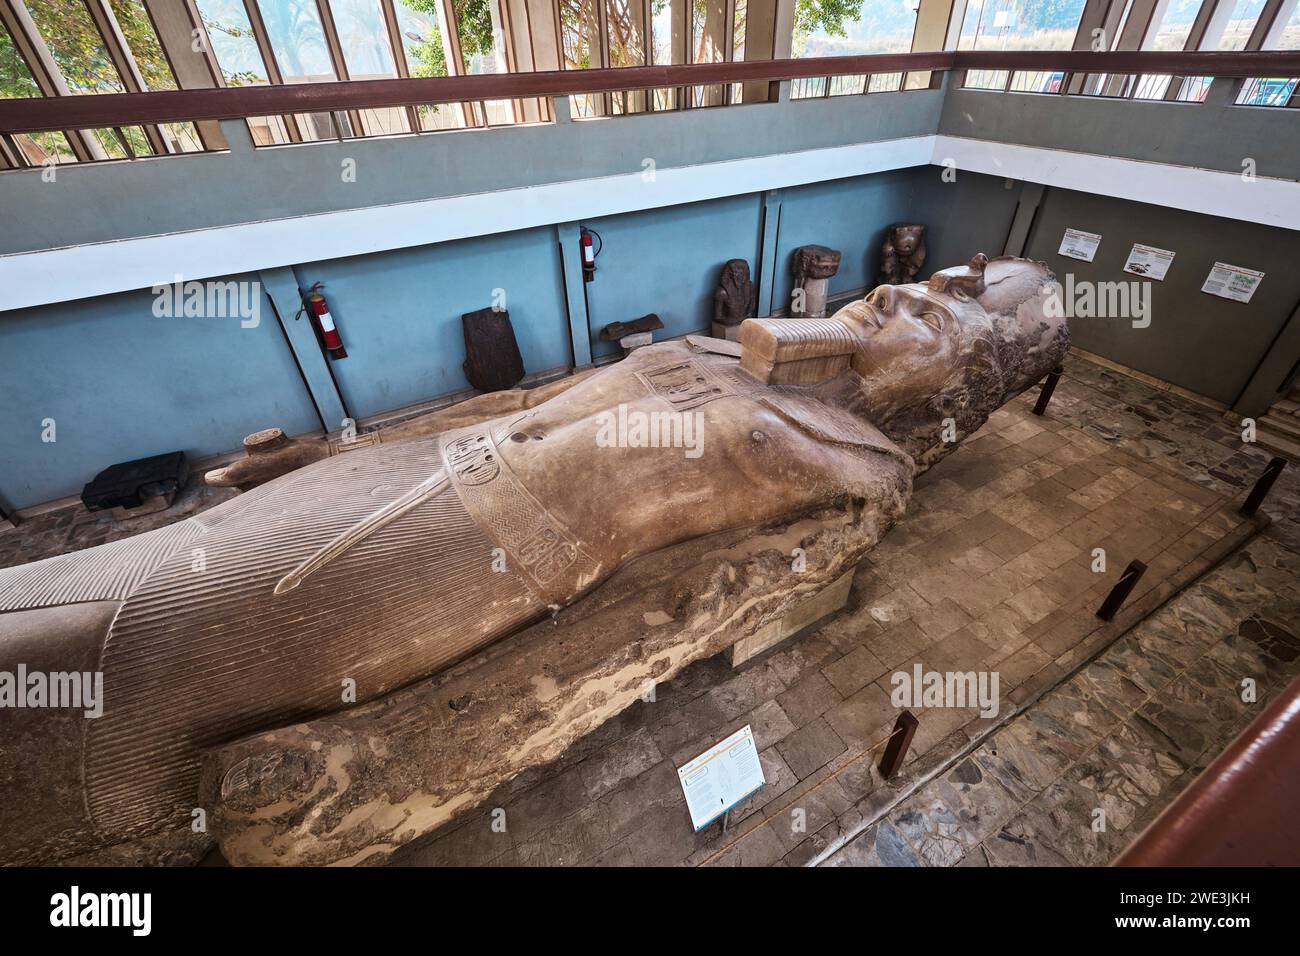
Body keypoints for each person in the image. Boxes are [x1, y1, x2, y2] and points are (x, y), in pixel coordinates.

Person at [0, 254, 1066, 863]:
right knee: (89, 582)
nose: (933, 283)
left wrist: (379, 754)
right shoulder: (718, 344)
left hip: (458, 568)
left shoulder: (860, 472)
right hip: (401, 478)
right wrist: (332, 452)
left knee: (111, 671)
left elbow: (680, 610)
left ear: (961, 390)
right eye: (943, 274)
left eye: (966, 306)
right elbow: (523, 402)